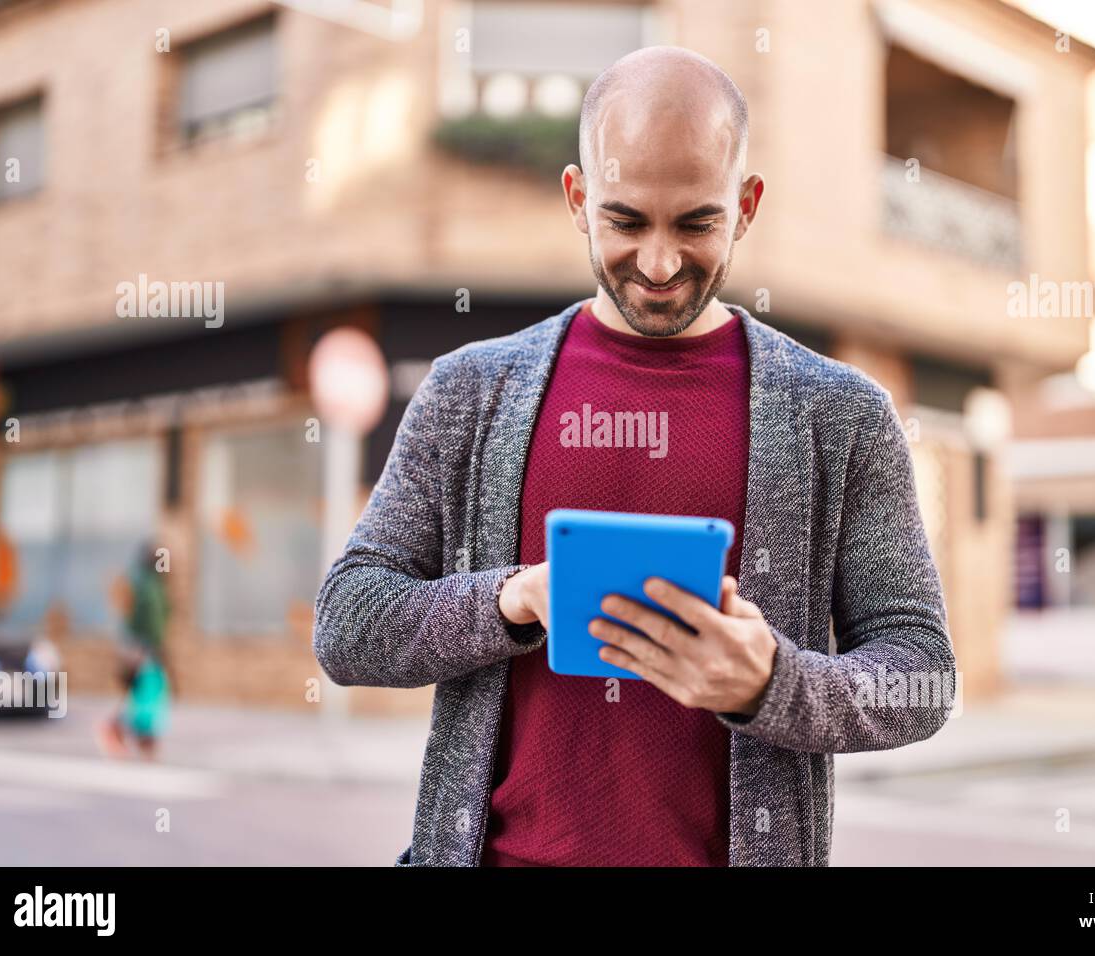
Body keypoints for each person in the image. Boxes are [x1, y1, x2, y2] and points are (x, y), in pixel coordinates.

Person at [313, 46, 956, 867]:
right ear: (578, 199)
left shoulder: (841, 415)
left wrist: (772, 683)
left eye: (697, 223)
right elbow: (347, 625)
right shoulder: (468, 392)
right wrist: (514, 598)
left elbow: (923, 676)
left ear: (747, 206)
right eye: (625, 221)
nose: (658, 264)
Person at [96, 544, 171, 760]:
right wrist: (149, 648)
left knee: (142, 694)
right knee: (147, 694)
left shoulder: (146, 583)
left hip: (140, 647)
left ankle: (134, 737)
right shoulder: (150, 587)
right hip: (144, 649)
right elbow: (151, 622)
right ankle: (119, 730)